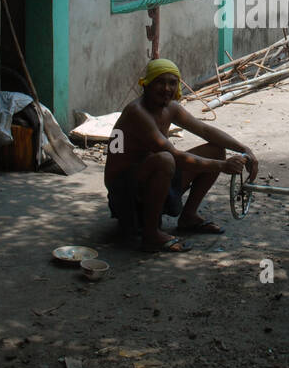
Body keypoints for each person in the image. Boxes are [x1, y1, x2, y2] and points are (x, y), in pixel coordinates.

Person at [105, 58, 259, 253]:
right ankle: (151, 235)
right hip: (124, 191)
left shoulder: (171, 108)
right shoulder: (137, 112)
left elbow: (205, 130)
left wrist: (245, 149)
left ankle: (189, 216)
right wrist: (222, 166)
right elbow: (175, 156)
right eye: (160, 82)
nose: (167, 88)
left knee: (216, 150)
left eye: (172, 82)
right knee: (166, 159)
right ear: (147, 84)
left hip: (148, 175)